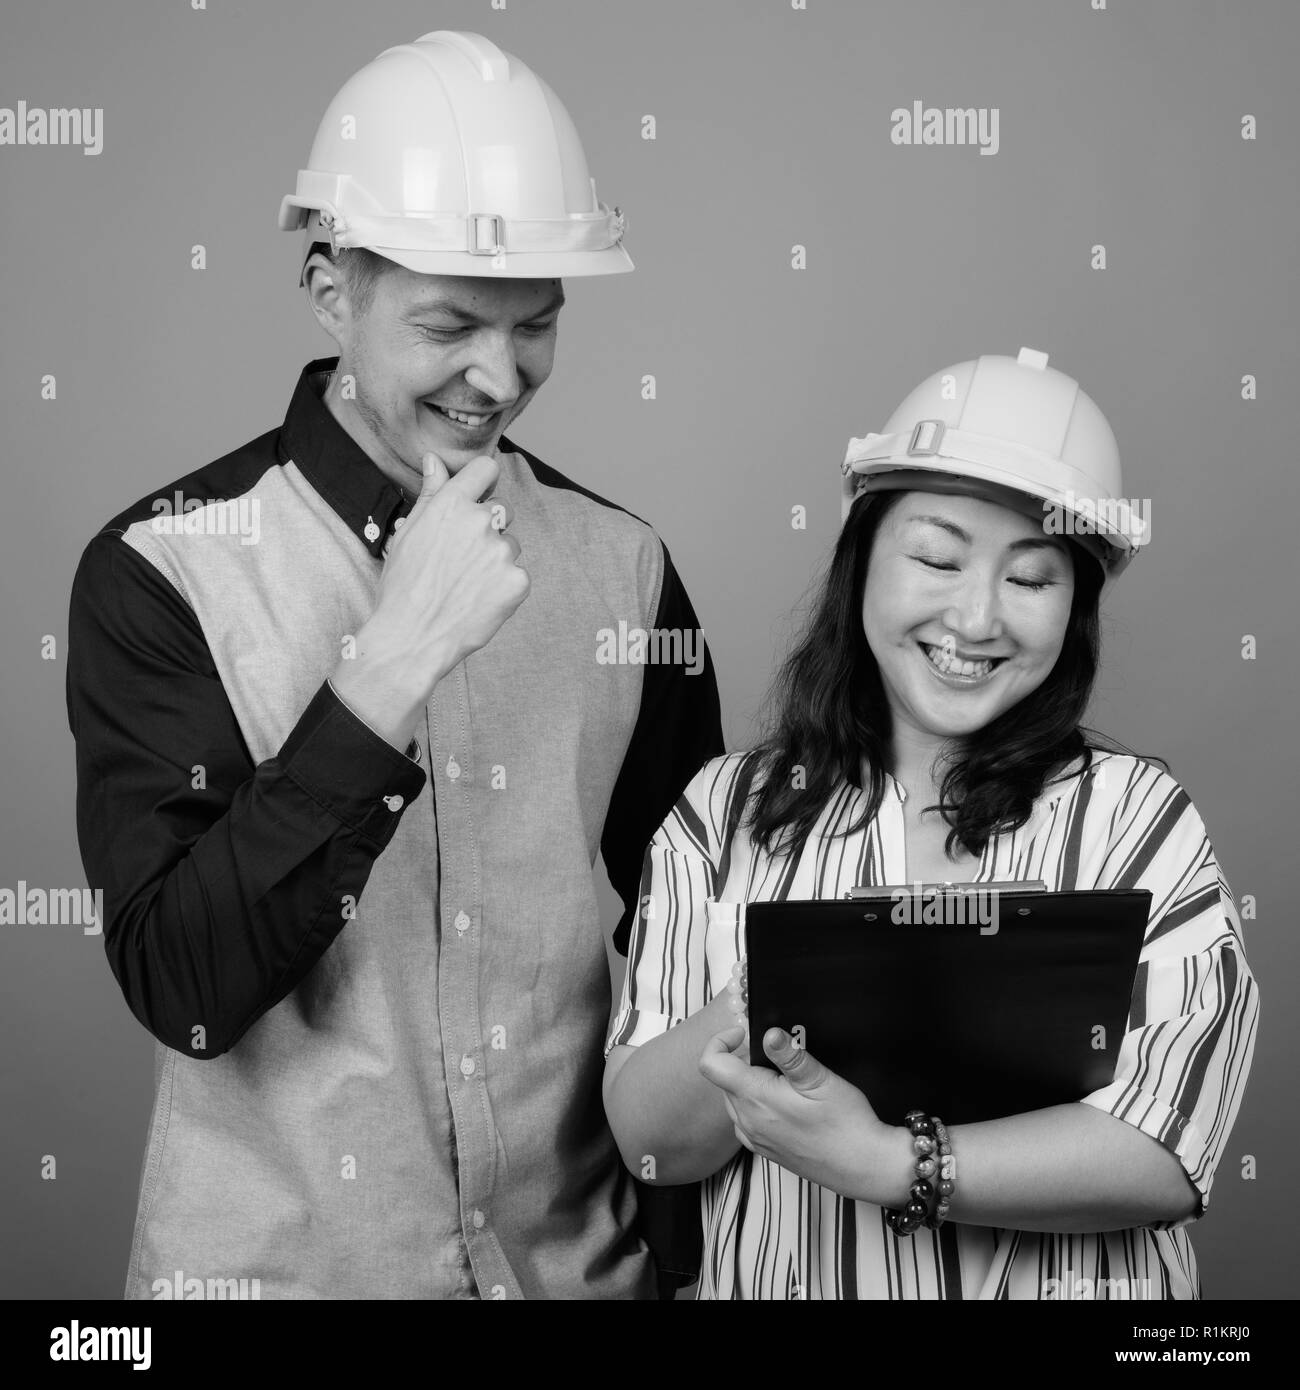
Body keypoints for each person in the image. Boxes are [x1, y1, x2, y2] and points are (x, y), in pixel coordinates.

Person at [65, 30, 721, 1300]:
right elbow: (183, 983)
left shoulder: (623, 571)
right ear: (330, 291)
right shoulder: (162, 572)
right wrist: (393, 659)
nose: (499, 376)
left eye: (536, 326)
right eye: (449, 325)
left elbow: (701, 965)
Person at [603, 347, 1259, 1300]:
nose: (976, 616)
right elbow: (650, 1146)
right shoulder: (720, 817)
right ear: (862, 554)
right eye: (938, 558)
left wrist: (891, 1165)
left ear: (1075, 606)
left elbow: (1164, 1154)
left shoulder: (1135, 821)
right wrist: (778, 997)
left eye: (1032, 579)